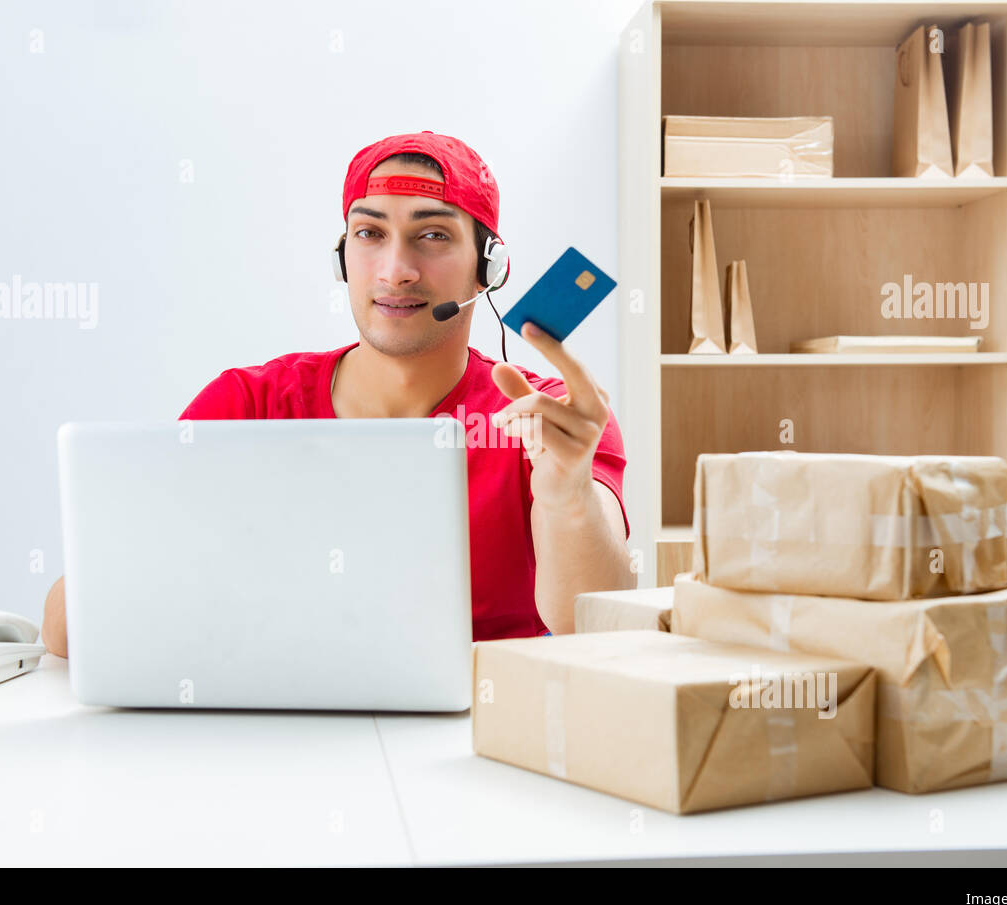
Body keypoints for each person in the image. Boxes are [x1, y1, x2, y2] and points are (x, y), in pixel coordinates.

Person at [40, 130, 632, 657]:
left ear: (490, 267)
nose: (395, 270)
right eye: (370, 233)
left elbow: (599, 629)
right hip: (285, 734)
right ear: (342, 258)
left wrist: (567, 495)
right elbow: (67, 630)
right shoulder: (246, 407)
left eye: (431, 234)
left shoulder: (554, 423)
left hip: (487, 738)